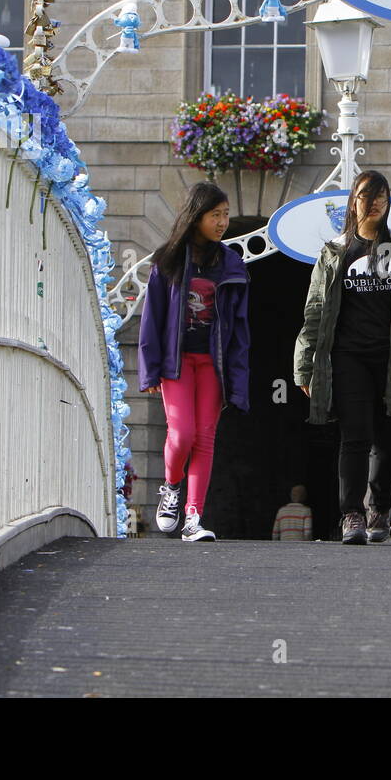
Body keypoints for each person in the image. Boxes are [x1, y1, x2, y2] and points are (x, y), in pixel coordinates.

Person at [293, 171, 391, 546]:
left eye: (382, 196)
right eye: (367, 195)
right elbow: (314, 311)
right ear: (354, 201)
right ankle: (352, 514)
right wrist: (304, 364)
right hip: (348, 359)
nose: (375, 202)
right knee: (355, 437)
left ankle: (379, 509)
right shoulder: (334, 252)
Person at [138, 181, 251, 542]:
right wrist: (150, 369)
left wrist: (237, 380)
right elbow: (151, 318)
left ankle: (193, 517)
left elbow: (240, 330)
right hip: (176, 362)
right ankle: (171, 488)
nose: (222, 222)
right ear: (196, 216)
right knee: (182, 432)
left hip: (212, 363)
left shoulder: (231, 265)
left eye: (226, 215)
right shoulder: (168, 260)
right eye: (215, 215)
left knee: (204, 438)